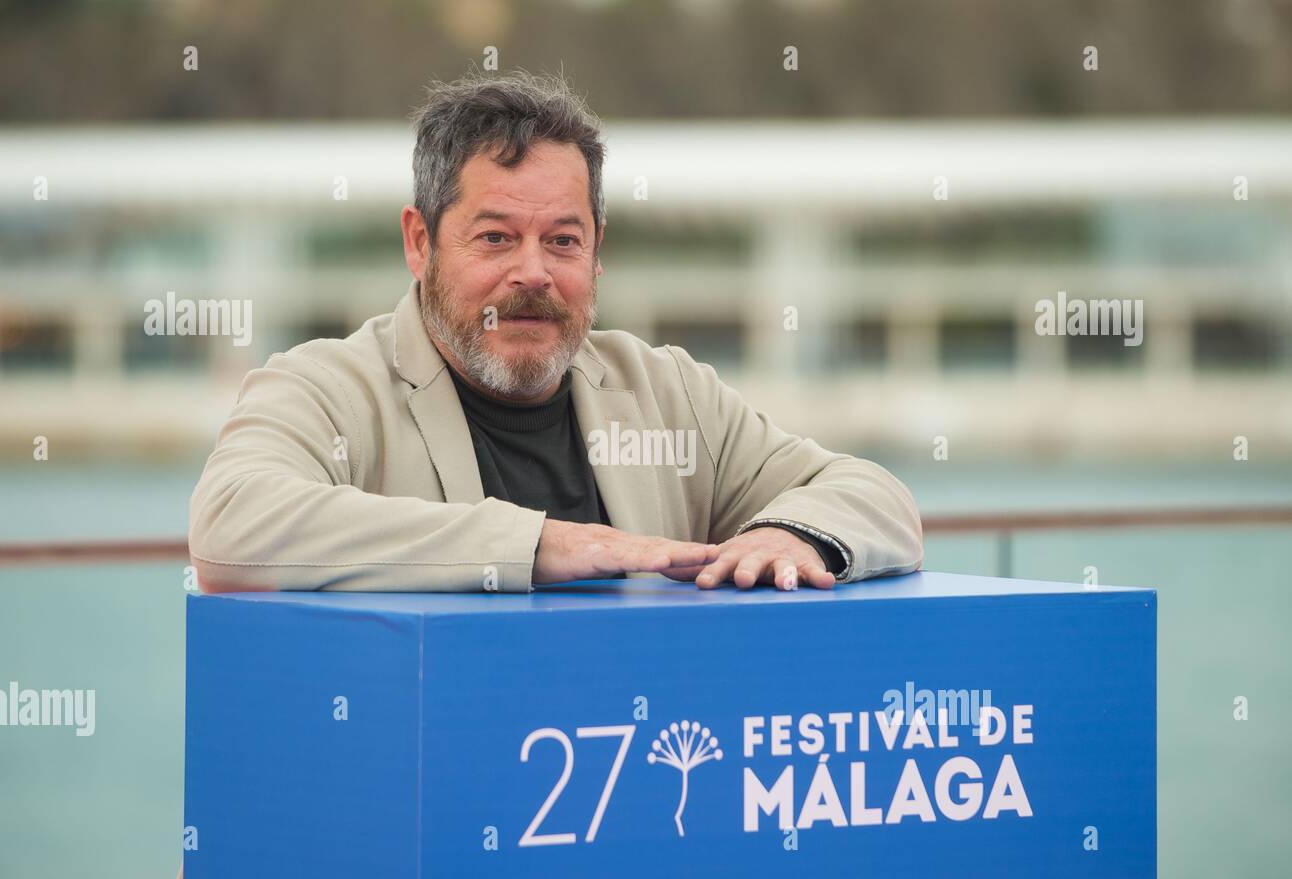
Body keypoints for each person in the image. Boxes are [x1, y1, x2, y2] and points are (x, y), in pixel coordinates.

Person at [187, 69, 923, 598]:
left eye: (563, 241)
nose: (533, 273)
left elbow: (875, 496)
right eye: (497, 238)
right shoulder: (326, 390)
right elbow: (230, 527)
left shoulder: (667, 393)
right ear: (420, 242)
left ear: (598, 252)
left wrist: (792, 537)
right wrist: (540, 546)